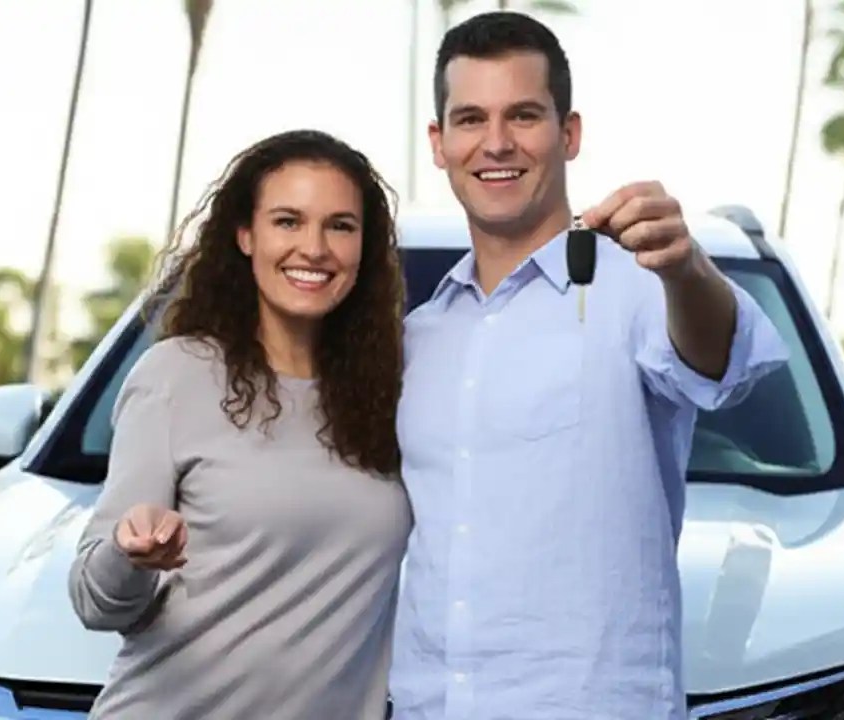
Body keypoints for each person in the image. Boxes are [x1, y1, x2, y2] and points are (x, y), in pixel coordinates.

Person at [388, 12, 790, 719]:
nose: (497, 142)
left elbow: (725, 364)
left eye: (524, 115)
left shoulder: (641, 288)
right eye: (471, 119)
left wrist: (688, 266)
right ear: (439, 143)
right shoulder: (418, 337)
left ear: (568, 134)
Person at [67, 128, 412, 719]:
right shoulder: (176, 375)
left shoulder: (397, 392)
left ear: (365, 247)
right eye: (287, 221)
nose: (314, 247)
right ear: (246, 235)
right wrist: (131, 553)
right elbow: (95, 603)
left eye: (340, 226)